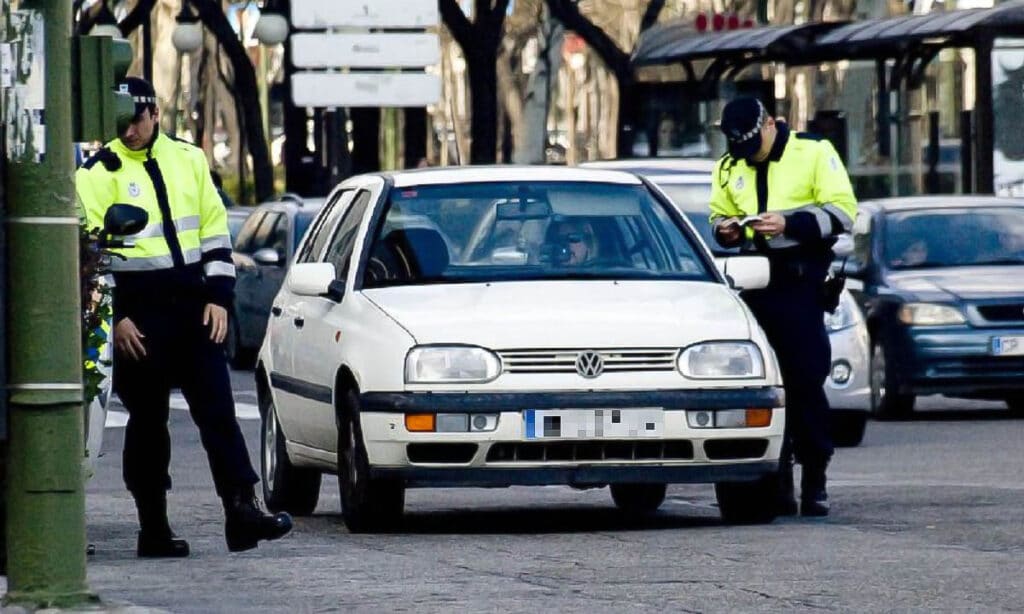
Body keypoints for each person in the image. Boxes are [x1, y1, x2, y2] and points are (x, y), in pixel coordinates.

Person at [75, 77, 292, 557]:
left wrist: (218, 296)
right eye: (120, 122)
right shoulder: (96, 172)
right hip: (139, 319)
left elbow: (215, 232)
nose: (128, 130)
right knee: (148, 424)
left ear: (155, 114)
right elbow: (91, 254)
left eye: (136, 119)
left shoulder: (189, 159)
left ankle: (243, 511)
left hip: (194, 310)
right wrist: (117, 316)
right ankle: (153, 527)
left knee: (219, 413)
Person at [709, 96, 857, 517]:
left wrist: (789, 223)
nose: (748, 154)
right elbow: (718, 216)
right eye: (740, 147)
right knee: (763, 382)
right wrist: (727, 231)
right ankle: (777, 479)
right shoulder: (729, 165)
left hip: (801, 279)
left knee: (805, 380)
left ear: (771, 124)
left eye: (753, 144)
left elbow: (844, 211)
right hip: (752, 283)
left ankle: (815, 477)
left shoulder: (813, 152)